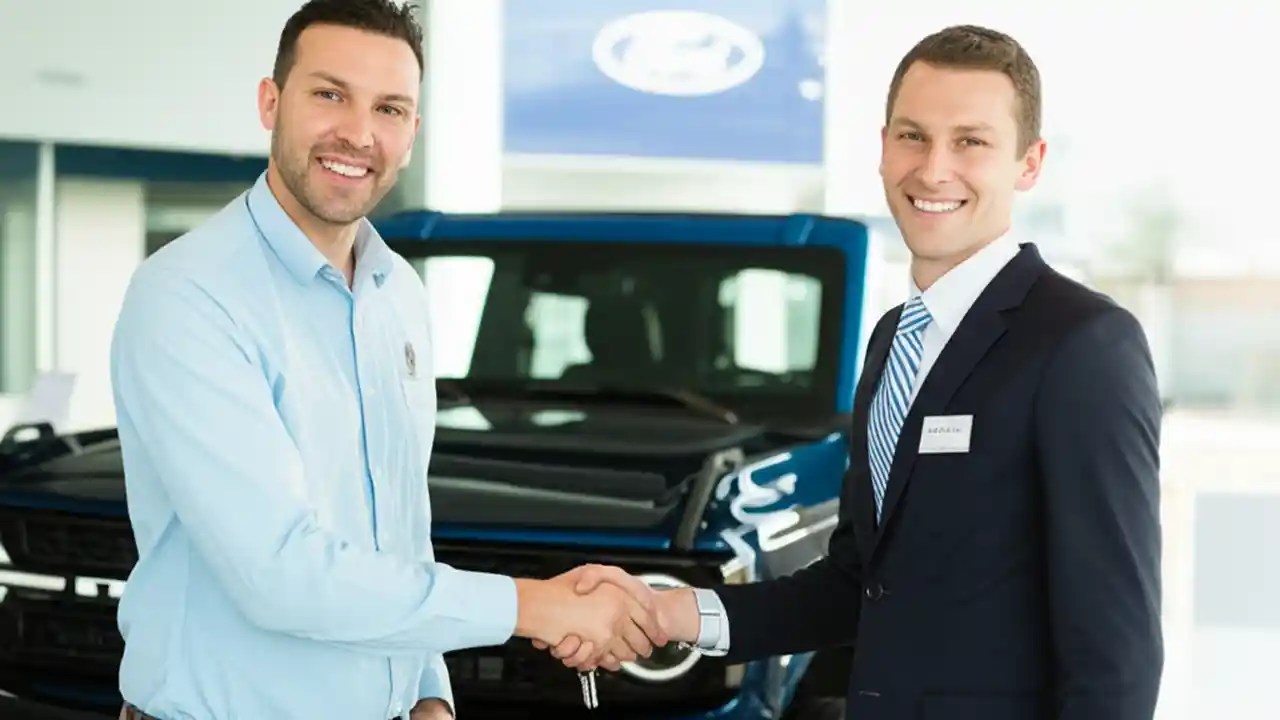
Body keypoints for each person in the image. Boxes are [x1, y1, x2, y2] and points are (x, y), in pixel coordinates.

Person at [556, 24, 1164, 719]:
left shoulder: (1083, 345)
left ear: (1029, 164)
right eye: (913, 136)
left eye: (971, 142)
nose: (933, 169)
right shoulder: (892, 342)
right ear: (882, 149)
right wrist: (668, 613)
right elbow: (856, 584)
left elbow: (1116, 648)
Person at [108, 2, 663, 719]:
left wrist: (428, 692)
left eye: (390, 108)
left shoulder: (397, 291)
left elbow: (399, 528)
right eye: (330, 94)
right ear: (270, 102)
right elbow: (279, 572)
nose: (359, 133)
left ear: (412, 134)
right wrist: (535, 606)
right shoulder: (188, 296)